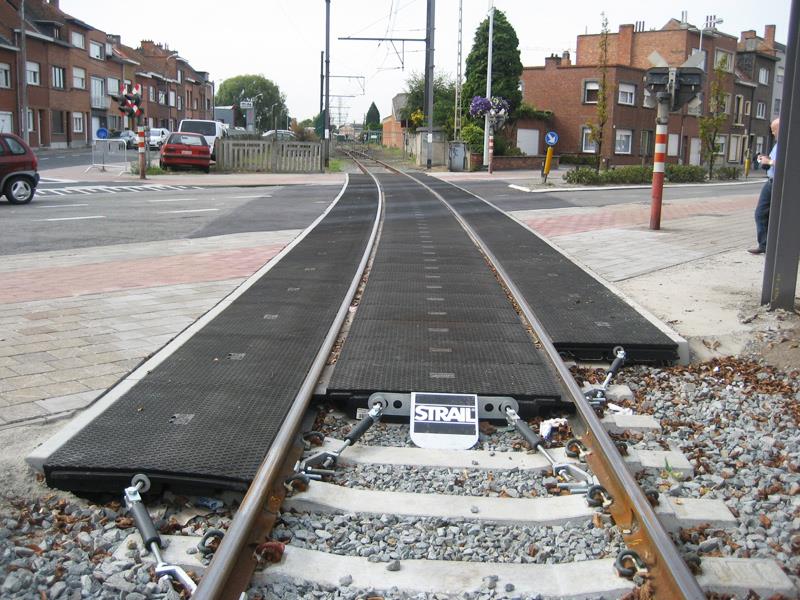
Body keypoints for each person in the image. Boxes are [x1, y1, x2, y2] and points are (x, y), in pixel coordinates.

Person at [749, 118, 780, 254]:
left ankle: (769, 245)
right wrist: (766, 160)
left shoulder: (789, 143)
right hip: (771, 181)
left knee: (766, 214)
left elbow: (789, 162)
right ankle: (765, 244)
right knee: (762, 214)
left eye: (774, 130)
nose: (772, 133)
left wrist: (771, 162)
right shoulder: (778, 144)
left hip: (779, 183)